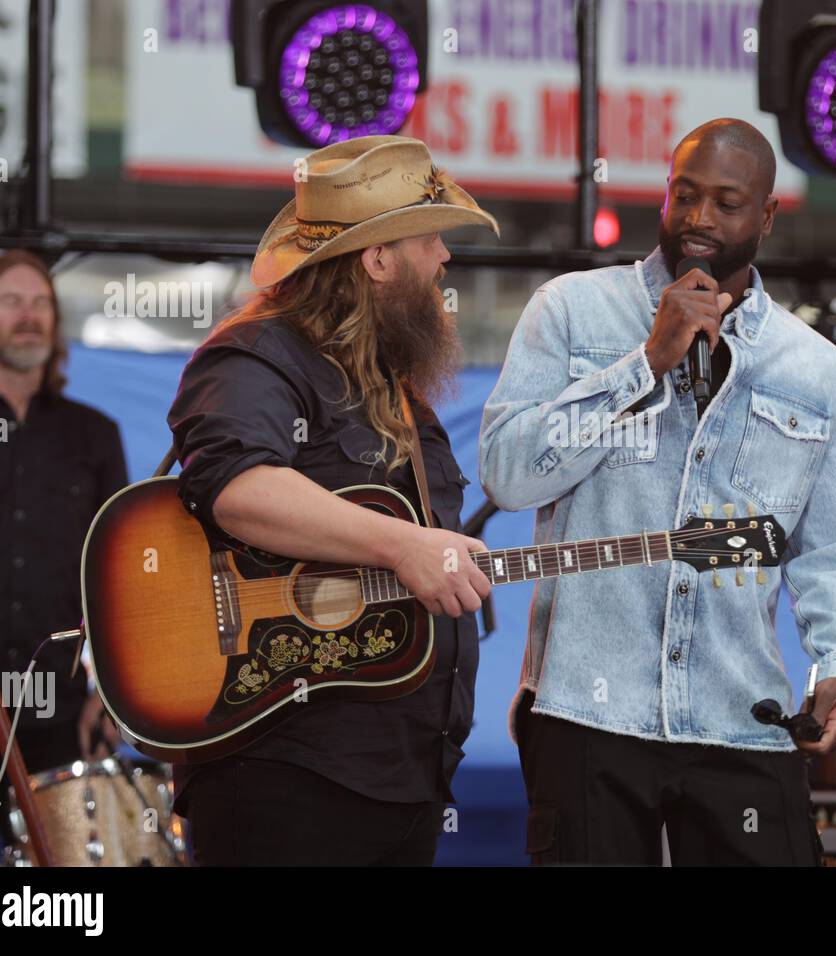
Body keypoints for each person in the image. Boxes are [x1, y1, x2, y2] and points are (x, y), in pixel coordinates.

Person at [479, 118, 836, 865]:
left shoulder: (815, 370)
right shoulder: (571, 312)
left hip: (741, 715)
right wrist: (645, 362)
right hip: (585, 710)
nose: (698, 219)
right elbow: (508, 475)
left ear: (765, 217)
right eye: (684, 195)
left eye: (726, 203)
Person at [165, 136, 498, 865]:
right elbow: (239, 488)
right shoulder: (259, 353)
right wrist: (405, 546)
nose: (445, 258)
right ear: (378, 260)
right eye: (431, 239)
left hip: (405, 775)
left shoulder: (396, 388)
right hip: (284, 774)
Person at [0, 251, 126, 863]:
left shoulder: (94, 434)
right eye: (11, 301)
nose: (29, 315)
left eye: (41, 303)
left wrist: (109, 694)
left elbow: (120, 575)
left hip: (65, 710)